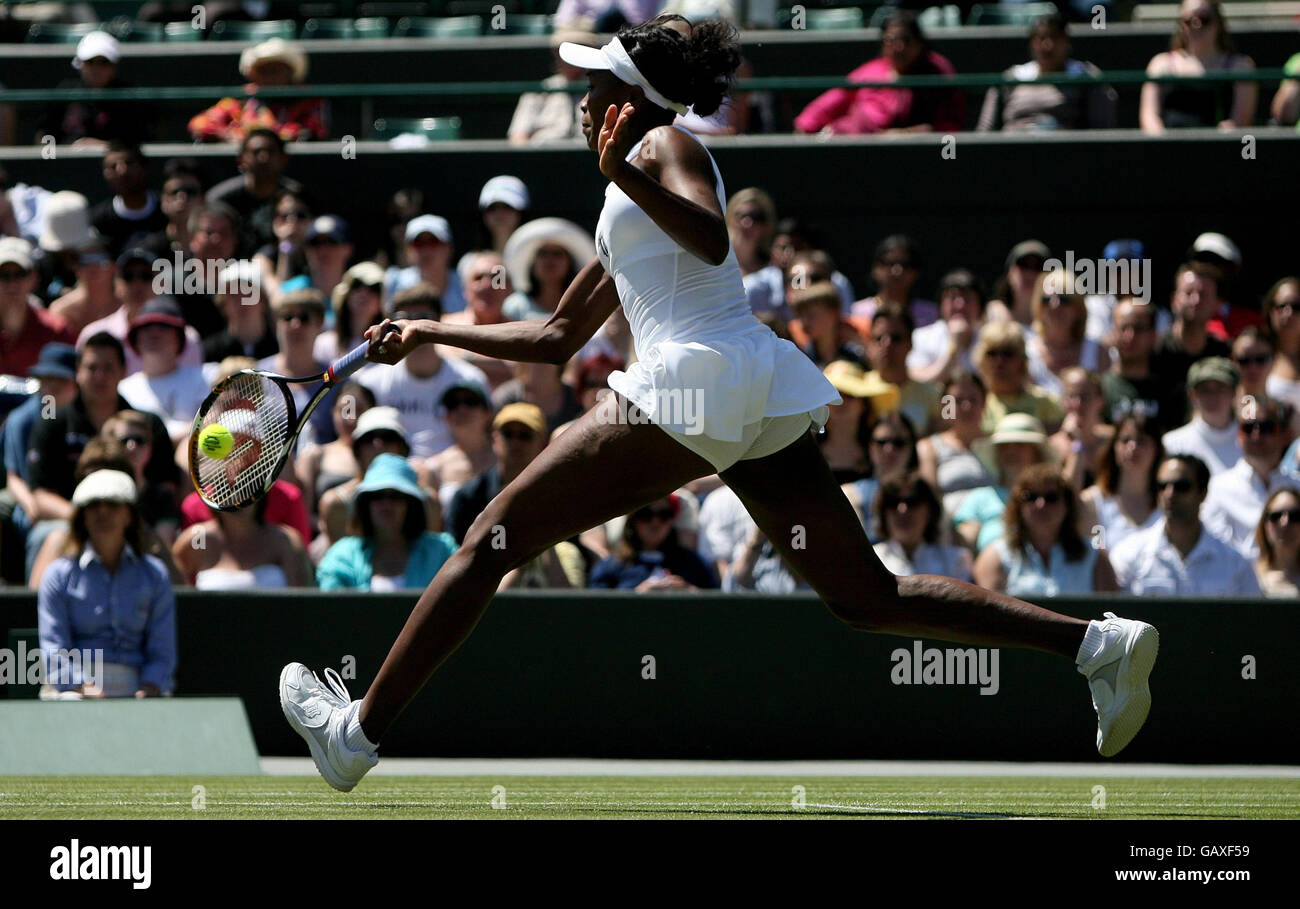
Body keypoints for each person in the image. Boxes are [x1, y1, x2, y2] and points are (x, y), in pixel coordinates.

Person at [280, 17, 1159, 793]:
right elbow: (554, 336)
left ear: (635, 96)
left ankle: (357, 734)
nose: (583, 97)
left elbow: (709, 239)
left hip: (693, 380)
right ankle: (1098, 647)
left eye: (597, 84)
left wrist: (625, 168)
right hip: (743, 391)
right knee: (864, 594)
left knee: (488, 540)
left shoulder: (667, 149)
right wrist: (435, 329)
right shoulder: (624, 193)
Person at [38, 470, 175, 698]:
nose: (102, 512)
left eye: (112, 504)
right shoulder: (58, 575)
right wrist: (81, 686)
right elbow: (54, 649)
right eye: (93, 506)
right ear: (81, 517)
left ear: (129, 515)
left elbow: (163, 651)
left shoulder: (154, 575)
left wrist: (149, 687)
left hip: (138, 684)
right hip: (75, 689)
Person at [356, 285, 490, 459]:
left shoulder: (471, 379)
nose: (413, 328)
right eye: (403, 319)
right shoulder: (370, 382)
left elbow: (482, 442)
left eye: (423, 318)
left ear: (439, 321)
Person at [1109, 454, 1261, 595]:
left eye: (1181, 486)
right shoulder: (1128, 554)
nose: (1169, 494)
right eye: (1162, 486)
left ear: (1203, 493)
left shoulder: (1236, 564)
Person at [794, 10, 964, 135]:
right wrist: (805, 127)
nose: (898, 48)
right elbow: (827, 104)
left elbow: (951, 125)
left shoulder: (938, 71)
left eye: (905, 40)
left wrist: (906, 135)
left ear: (920, 42)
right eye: (890, 40)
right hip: (856, 154)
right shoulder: (871, 72)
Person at [974, 464, 1119, 597]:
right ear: (1018, 506)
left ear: (1067, 506)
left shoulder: (1094, 556)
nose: (1040, 505)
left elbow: (1112, 615)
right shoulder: (995, 557)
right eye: (1030, 497)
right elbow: (988, 618)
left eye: (1051, 497)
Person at [317, 454, 458, 591]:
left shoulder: (443, 550)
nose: (386, 504)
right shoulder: (342, 555)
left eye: (396, 496)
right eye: (377, 496)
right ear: (365, 504)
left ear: (411, 504)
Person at [977, 13, 1116, 132]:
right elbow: (984, 130)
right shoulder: (1012, 77)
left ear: (1066, 41)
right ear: (1031, 43)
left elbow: (1102, 130)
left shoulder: (1086, 75)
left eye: (1055, 38)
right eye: (1041, 38)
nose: (1047, 46)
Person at [1140, 0, 1255, 133]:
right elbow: (1149, 117)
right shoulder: (1160, 64)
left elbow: (1240, 121)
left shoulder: (1241, 66)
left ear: (1218, 23)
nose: (1196, 25)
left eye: (1204, 19)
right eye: (1189, 20)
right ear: (1181, 25)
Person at [1201, 399, 1295, 559]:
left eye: (1266, 427)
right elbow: (1215, 550)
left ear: (1285, 435)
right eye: (1248, 428)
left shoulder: (1297, 487)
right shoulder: (1219, 488)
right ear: (1238, 436)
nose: (1256, 435)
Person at [445, 403, 549, 544]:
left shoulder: (552, 494)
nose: (515, 442)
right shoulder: (469, 497)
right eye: (508, 434)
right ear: (495, 439)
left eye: (525, 436)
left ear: (543, 444)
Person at [188, 38, 328, 143]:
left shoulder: (307, 98)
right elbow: (199, 123)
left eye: (276, 70)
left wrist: (248, 135)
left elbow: (312, 130)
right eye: (263, 71)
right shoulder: (243, 97)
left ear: (290, 74)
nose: (269, 76)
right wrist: (226, 134)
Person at [956, 413, 1053, 553]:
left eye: (1020, 445)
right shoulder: (979, 498)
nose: (1011, 451)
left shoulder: (1053, 498)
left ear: (1037, 452)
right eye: (1004, 445)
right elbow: (965, 549)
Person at [116, 296, 210, 442]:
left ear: (179, 338)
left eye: (163, 327)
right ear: (136, 340)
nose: (154, 334)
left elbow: (211, 422)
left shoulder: (203, 379)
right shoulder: (123, 389)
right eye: (146, 328)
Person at [36, 31, 151, 148]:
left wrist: (103, 147)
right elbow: (45, 134)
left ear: (114, 66)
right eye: (90, 62)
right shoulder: (65, 91)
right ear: (80, 64)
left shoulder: (127, 97)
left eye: (104, 62)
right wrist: (54, 158)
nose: (97, 69)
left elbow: (137, 142)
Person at [174, 494, 313, 588]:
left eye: (244, 483)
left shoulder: (286, 540)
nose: (236, 495)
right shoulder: (198, 539)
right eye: (229, 486)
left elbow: (303, 608)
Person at [206, 129, 305, 257]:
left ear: (284, 158)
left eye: (270, 151)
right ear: (241, 160)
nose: (263, 157)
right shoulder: (220, 199)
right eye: (256, 152)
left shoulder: (298, 198)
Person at [589, 494, 716, 590]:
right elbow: (595, 613)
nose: (655, 523)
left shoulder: (694, 563)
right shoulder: (611, 566)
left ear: (672, 521)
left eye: (664, 515)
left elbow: (719, 607)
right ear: (633, 521)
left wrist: (690, 593)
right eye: (646, 514)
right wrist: (637, 597)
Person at [1078, 413, 1164, 553]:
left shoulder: (1170, 498)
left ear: (1157, 449)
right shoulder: (1091, 503)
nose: (1133, 447)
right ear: (1114, 448)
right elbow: (1096, 558)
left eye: (1142, 441)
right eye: (1125, 440)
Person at [918, 369, 995, 519]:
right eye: (958, 401)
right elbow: (929, 499)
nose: (967, 407)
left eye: (973, 400)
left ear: (984, 404)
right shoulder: (929, 447)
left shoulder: (998, 444)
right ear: (946, 407)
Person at [297, 380, 373, 528]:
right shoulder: (313, 456)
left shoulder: (381, 453)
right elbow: (302, 514)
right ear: (333, 413)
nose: (351, 418)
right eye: (345, 410)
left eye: (359, 409)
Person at [1102, 297, 1186, 431]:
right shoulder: (1100, 390)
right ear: (1112, 334)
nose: (1129, 336)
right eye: (1123, 328)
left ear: (1154, 336)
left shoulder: (1171, 391)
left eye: (1138, 328)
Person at [871, 473, 970, 581]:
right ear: (883, 513)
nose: (902, 510)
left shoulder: (956, 560)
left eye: (912, 502)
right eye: (893, 503)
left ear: (930, 512)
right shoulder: (869, 560)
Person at [417, 384, 496, 517]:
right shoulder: (434, 467)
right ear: (446, 417)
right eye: (453, 404)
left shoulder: (505, 459)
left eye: (471, 402)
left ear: (487, 414)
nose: (461, 409)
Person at [0, 237, 76, 377]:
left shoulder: (56, 330)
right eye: (4, 275)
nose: (12, 283)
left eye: (20, 274)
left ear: (34, 277)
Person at [817, 359, 901, 484]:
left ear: (864, 404)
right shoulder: (808, 447)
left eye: (850, 395)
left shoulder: (880, 447)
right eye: (834, 395)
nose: (841, 402)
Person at [510, 29, 600, 145]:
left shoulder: (601, 90)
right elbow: (518, 138)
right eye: (561, 52)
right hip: (541, 158)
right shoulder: (539, 91)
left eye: (574, 52)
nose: (565, 59)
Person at [974, 321, 1063, 435]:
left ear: (1021, 360)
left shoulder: (1046, 402)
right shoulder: (973, 404)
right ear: (982, 358)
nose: (999, 362)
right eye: (992, 353)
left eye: (1007, 353)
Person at [842, 410, 918, 541]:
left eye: (898, 443)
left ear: (911, 448)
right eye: (881, 442)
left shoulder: (923, 494)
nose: (889, 450)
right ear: (870, 447)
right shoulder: (851, 493)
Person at [1154, 262, 1233, 389]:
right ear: (1174, 300)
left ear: (1217, 304)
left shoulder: (1224, 354)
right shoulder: (1155, 352)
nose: (1195, 300)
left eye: (1203, 294)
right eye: (1188, 293)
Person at [1025, 270, 1101, 400]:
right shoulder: (1026, 353)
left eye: (1064, 299)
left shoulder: (1098, 352)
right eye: (1046, 299)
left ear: (1078, 307)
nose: (1055, 305)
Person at [865, 304, 941, 434]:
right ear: (870, 345)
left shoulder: (934, 393)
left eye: (896, 338)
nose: (887, 344)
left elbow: (948, 430)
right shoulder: (857, 391)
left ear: (910, 343)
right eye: (878, 338)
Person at [502, 219, 595, 323]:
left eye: (557, 254)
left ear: (570, 264)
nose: (549, 260)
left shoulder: (583, 306)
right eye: (543, 254)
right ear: (532, 263)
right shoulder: (514, 306)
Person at [1161, 357, 1241, 475]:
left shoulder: (1252, 440)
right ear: (1192, 395)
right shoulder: (1172, 444)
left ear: (1234, 392)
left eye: (1220, 388)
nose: (1213, 396)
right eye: (1204, 390)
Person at [89, 142, 168, 260]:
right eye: (113, 166)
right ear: (105, 174)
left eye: (129, 163)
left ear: (144, 168)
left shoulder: (167, 210)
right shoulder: (98, 219)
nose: (122, 171)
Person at [907, 268, 985, 386]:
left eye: (968, 299)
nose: (960, 305)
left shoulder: (989, 341)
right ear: (941, 304)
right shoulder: (920, 337)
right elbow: (917, 383)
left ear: (980, 306)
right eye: (953, 298)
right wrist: (955, 346)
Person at [849, 235, 937, 329]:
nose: (897, 270)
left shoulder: (932, 314)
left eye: (905, 265)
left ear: (916, 272)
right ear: (875, 269)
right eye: (890, 263)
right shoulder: (856, 312)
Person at [384, 216, 466, 315]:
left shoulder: (466, 284)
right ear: (407, 251)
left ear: (449, 248)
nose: (426, 250)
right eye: (418, 243)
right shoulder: (393, 282)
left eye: (433, 242)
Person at [1049, 367, 1112, 493]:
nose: (1078, 404)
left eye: (1085, 396)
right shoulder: (1052, 446)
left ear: (1100, 401)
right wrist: (1077, 445)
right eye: (1072, 396)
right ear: (1063, 401)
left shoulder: (1112, 440)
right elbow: (1066, 495)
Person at [314, 262, 384, 364]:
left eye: (374, 288)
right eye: (357, 285)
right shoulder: (324, 344)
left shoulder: (388, 346)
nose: (363, 293)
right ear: (346, 296)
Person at [137, 158, 206, 260]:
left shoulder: (214, 247)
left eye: (190, 192)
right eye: (174, 192)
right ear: (163, 200)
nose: (182, 198)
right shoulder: (147, 250)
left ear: (203, 199)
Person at [252, 188, 313, 303]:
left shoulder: (322, 249)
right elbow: (279, 298)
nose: (292, 221)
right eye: (284, 216)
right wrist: (286, 249)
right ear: (274, 223)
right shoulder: (263, 258)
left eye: (300, 215)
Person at [790, 281, 867, 369]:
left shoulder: (856, 355)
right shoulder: (801, 360)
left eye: (811, 315)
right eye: (800, 316)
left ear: (833, 313)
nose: (804, 322)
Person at [986, 240, 1048, 329]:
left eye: (1037, 266)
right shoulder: (989, 314)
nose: (1029, 273)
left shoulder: (1055, 320)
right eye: (1023, 264)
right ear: (1010, 272)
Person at [1254, 487, 1300, 596]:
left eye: (1295, 516)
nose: (1285, 523)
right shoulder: (1248, 575)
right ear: (1264, 525)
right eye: (1275, 516)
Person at [1263, 277, 1300, 411]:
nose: (1288, 313)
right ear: (1270, 311)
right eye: (1281, 306)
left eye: (1296, 307)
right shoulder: (1254, 357)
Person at [472, 176, 529, 256]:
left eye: (507, 206)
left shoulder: (535, 261)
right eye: (492, 208)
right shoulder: (470, 263)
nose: (499, 213)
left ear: (521, 213)